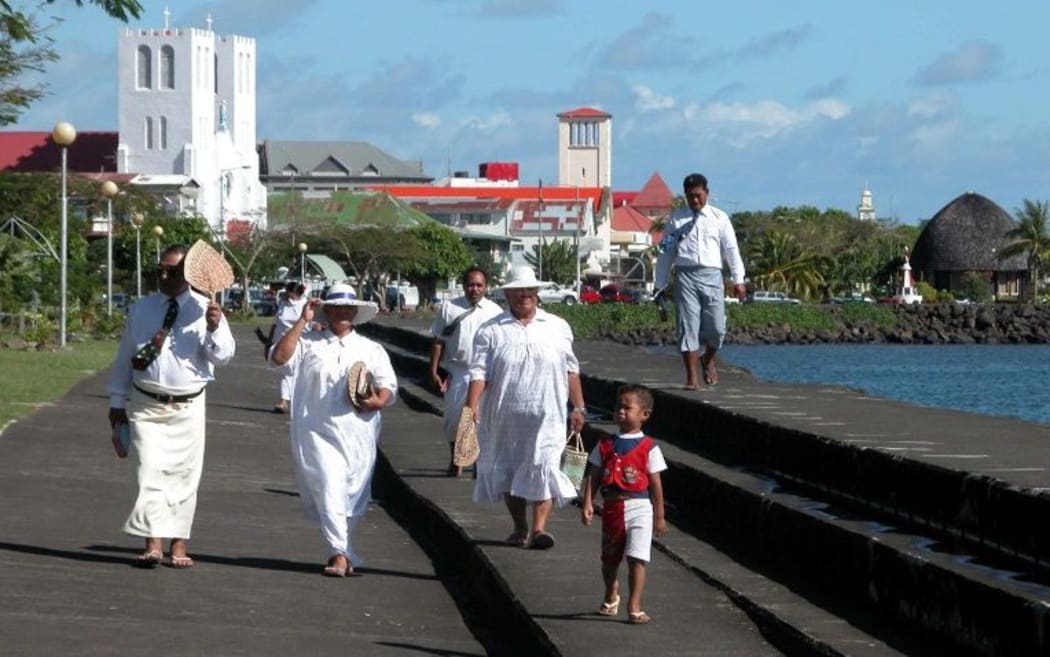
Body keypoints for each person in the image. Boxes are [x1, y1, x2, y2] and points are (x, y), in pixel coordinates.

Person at [106, 244, 236, 569]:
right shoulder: (142, 309)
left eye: (172, 271)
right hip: (146, 403)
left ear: (188, 273)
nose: (164, 276)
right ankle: (153, 543)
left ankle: (179, 544)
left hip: (188, 406)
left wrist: (215, 326)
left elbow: (223, 357)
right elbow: (126, 358)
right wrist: (116, 402)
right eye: (160, 270)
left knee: (183, 477)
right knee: (146, 471)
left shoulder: (207, 309)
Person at [270, 282, 397, 577]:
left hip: (358, 433)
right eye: (335, 306)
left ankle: (344, 549)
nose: (342, 311)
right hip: (317, 431)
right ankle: (339, 554)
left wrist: (377, 401)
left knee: (352, 494)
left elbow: (387, 385)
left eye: (347, 307)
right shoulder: (309, 342)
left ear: (355, 311)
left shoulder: (370, 348)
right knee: (329, 485)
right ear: (326, 310)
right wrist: (302, 320)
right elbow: (279, 358)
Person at [465, 265, 586, 550]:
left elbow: (571, 369)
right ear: (507, 294)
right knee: (510, 468)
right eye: (518, 290)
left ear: (537, 293)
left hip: (548, 412)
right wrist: (471, 408)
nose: (524, 295)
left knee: (544, 463)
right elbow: (479, 372)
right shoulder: (491, 330)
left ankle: (539, 528)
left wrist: (579, 406)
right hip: (505, 415)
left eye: (529, 290)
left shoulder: (557, 327)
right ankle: (520, 526)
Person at [580, 384, 666, 625]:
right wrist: (588, 502)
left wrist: (659, 515)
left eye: (627, 408)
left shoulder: (650, 447)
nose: (620, 411)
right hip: (612, 507)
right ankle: (611, 591)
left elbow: (656, 484)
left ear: (644, 415)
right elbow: (594, 475)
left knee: (637, 557)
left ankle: (634, 605)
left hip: (640, 506)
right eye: (618, 406)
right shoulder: (605, 443)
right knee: (609, 559)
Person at [654, 173, 747, 389]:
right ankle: (691, 377)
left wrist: (738, 279)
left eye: (698, 196)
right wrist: (660, 284)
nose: (695, 201)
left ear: (707, 193)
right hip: (685, 275)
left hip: (712, 275)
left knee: (717, 328)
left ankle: (708, 357)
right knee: (688, 327)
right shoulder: (676, 219)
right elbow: (666, 253)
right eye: (690, 197)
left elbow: (731, 250)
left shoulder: (719, 218)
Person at [428, 266, 502, 476]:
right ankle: (457, 460)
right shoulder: (449, 308)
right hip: (458, 371)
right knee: (453, 419)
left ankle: (478, 463)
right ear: (464, 286)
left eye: (479, 285)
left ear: (486, 286)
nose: (475, 289)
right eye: (471, 285)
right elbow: (438, 340)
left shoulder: (495, 312)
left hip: (485, 373)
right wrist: (433, 369)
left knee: (481, 420)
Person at [268, 280, 309, 413]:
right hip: (280, 341)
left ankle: (288, 400)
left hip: (299, 341)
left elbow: (311, 324)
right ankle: (284, 400)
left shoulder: (305, 305)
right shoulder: (283, 304)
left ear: (293, 292)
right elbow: (276, 322)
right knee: (286, 370)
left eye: (288, 291)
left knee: (295, 371)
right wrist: (269, 338)